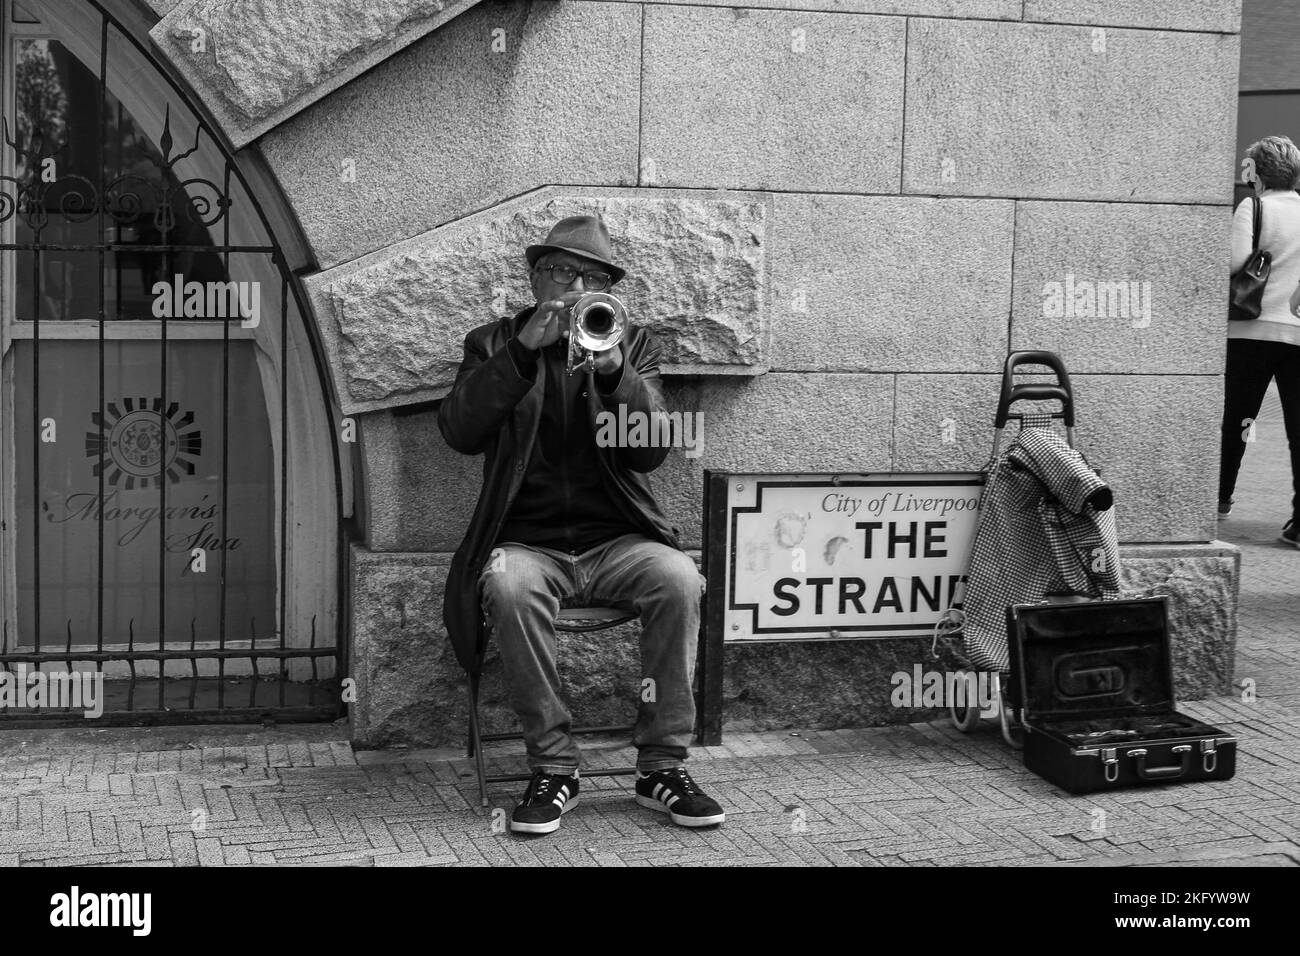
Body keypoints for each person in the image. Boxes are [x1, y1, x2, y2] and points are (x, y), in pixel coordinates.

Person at [438, 214, 725, 834]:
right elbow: (459, 432)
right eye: (565, 272)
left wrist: (615, 372)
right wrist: (521, 354)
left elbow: (651, 449)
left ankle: (662, 765)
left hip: (616, 539)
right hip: (525, 543)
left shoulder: (633, 343)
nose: (576, 288)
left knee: (678, 578)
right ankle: (554, 767)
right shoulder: (491, 343)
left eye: (592, 277)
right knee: (510, 588)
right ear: (537, 277)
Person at [1219, 135, 1300, 549]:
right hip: (1298, 335)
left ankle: (1220, 498)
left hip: (1251, 332)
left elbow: (1233, 263)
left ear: (1258, 173)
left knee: (1239, 420)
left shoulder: (1255, 206)